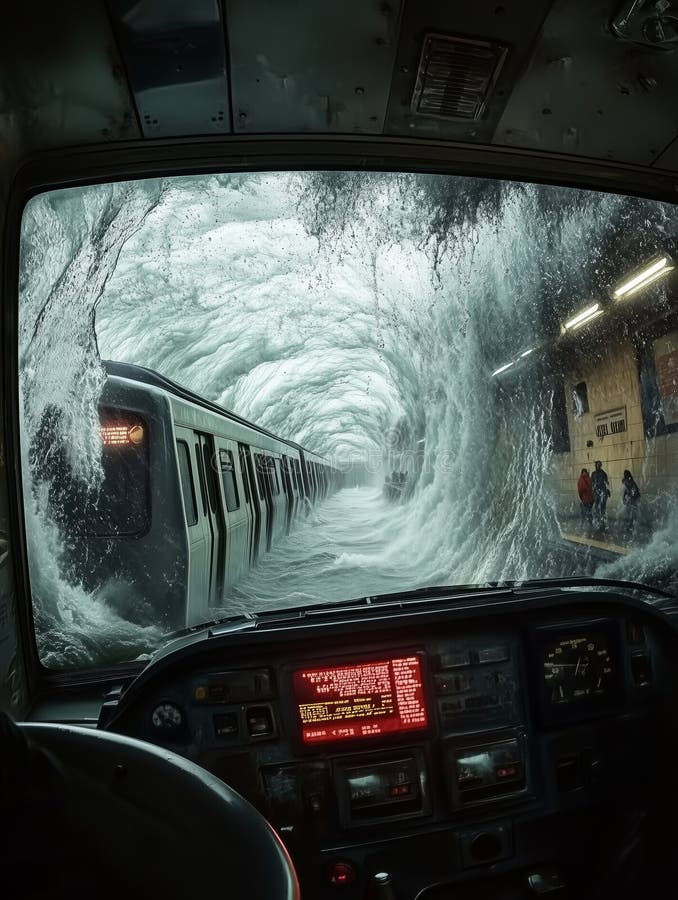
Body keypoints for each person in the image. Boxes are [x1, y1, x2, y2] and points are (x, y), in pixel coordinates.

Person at [590, 460, 610, 532]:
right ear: (595, 465)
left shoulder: (603, 473)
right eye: (597, 465)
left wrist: (607, 490)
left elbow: (607, 483)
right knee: (597, 509)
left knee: (602, 509)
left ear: (601, 465)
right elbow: (592, 484)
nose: (598, 466)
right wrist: (593, 492)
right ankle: (599, 524)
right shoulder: (593, 474)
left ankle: (603, 525)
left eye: (599, 465)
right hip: (597, 493)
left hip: (602, 493)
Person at [621, 469, 641, 541]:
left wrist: (625, 499)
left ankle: (629, 527)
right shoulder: (631, 480)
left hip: (632, 500)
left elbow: (628, 491)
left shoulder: (628, 481)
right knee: (631, 514)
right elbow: (632, 491)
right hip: (634, 499)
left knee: (629, 513)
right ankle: (631, 527)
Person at [577, 467, 593, 532]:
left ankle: (583, 525)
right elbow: (592, 487)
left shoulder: (581, 479)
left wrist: (581, 497)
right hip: (591, 499)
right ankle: (590, 524)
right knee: (589, 511)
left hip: (585, 499)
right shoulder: (589, 478)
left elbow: (580, 490)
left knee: (583, 512)